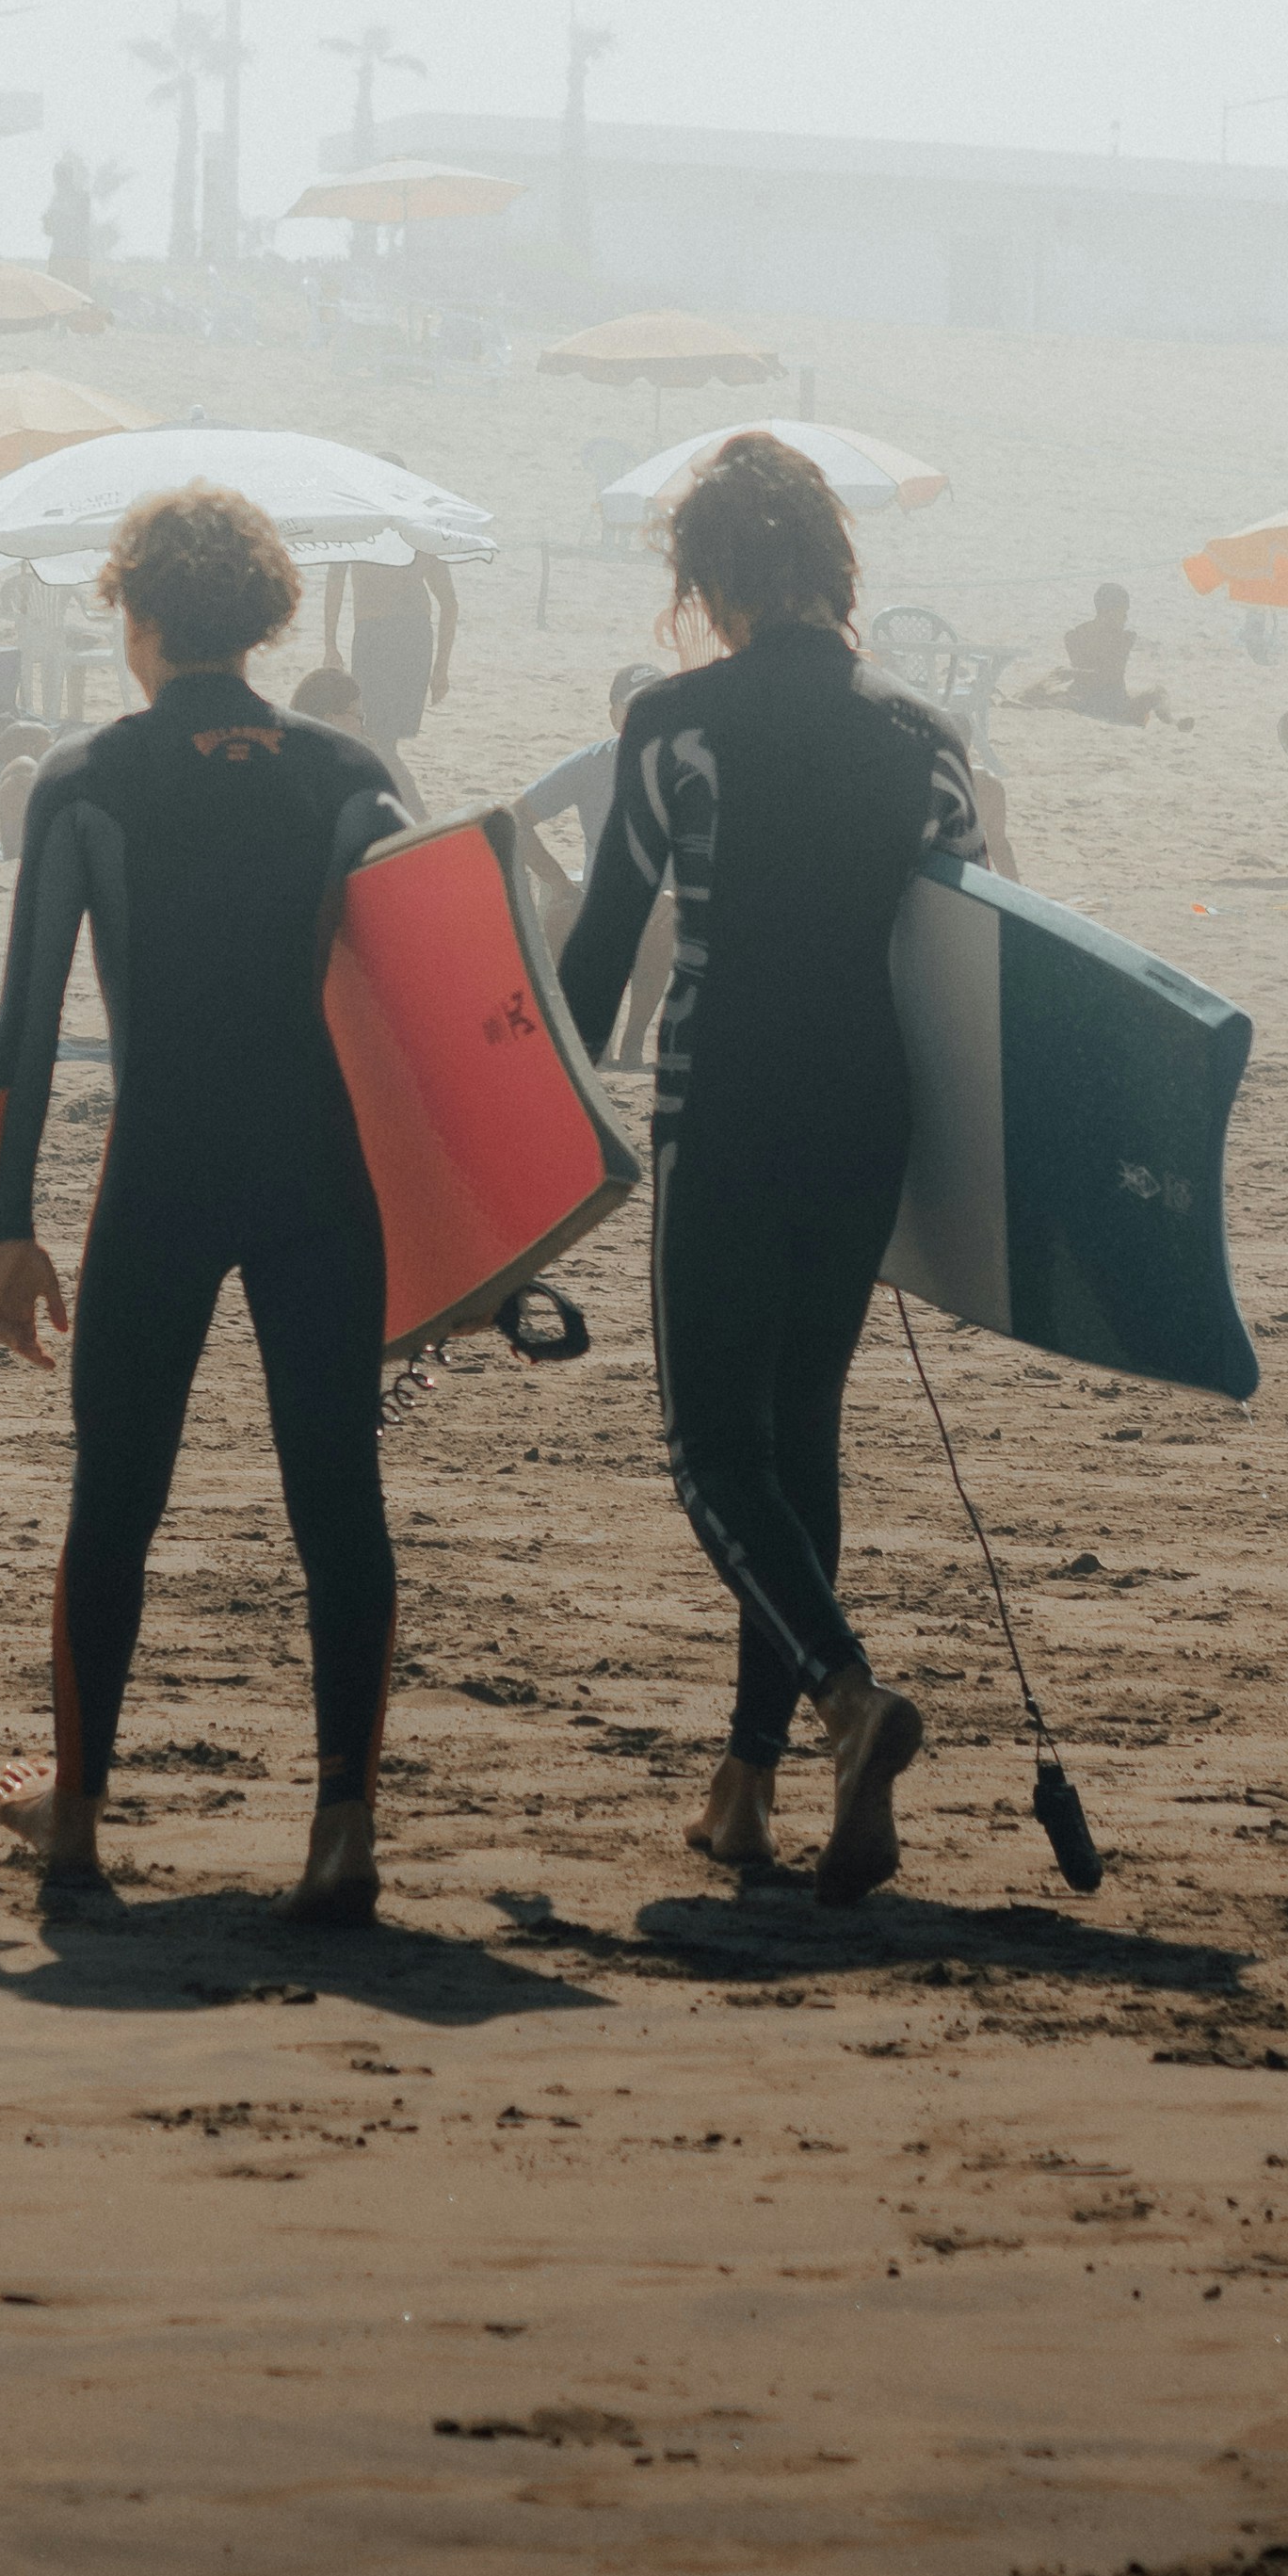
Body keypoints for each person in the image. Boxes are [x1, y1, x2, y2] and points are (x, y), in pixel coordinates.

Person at [558, 431, 981, 1907]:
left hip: (724, 1103)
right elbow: (968, 947)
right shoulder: (923, 736)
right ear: (836, 568)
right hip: (870, 1108)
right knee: (800, 1441)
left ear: (709, 577)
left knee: (708, 1449)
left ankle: (849, 1701)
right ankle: (746, 1787)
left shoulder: (675, 723)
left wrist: (525, 1161)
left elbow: (601, 960)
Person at [0, 484, 410, 1928]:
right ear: (268, 620)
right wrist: (475, 1230)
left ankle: (80, 1817)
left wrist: (7, 1226)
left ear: (139, 615)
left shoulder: (89, 779)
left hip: (163, 1171)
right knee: (337, 1497)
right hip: (321, 1177)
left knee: (117, 1497)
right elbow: (431, 1013)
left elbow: (27, 1021)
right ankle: (343, 1825)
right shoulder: (350, 774)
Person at [515, 664, 669, 1051]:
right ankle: (573, 1037)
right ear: (614, 713)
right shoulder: (593, 762)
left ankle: (633, 1042)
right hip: (601, 890)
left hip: (663, 895)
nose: (646, 717)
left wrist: (681, 892)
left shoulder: (687, 764)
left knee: (662, 923)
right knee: (560, 913)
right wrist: (557, 880)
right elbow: (517, 816)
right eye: (635, 707)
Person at [317, 545, 457, 770]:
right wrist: (330, 644)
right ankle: (382, 776)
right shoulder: (366, 527)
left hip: (409, 633)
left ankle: (382, 777)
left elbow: (449, 602)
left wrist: (441, 669)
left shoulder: (414, 534)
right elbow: (335, 578)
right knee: (371, 724)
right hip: (385, 633)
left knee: (384, 731)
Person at [293, 658, 424, 819]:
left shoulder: (287, 759)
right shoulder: (378, 764)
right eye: (359, 717)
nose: (362, 726)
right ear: (330, 719)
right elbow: (418, 823)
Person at [1054, 582, 1177, 726]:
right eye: (1123, 612)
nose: (1125, 618)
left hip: (1081, 700)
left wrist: (1074, 673)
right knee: (1158, 693)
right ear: (1110, 611)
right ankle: (1171, 721)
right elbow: (1110, 676)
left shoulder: (1073, 636)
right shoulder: (1124, 639)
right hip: (1114, 706)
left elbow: (1089, 670)